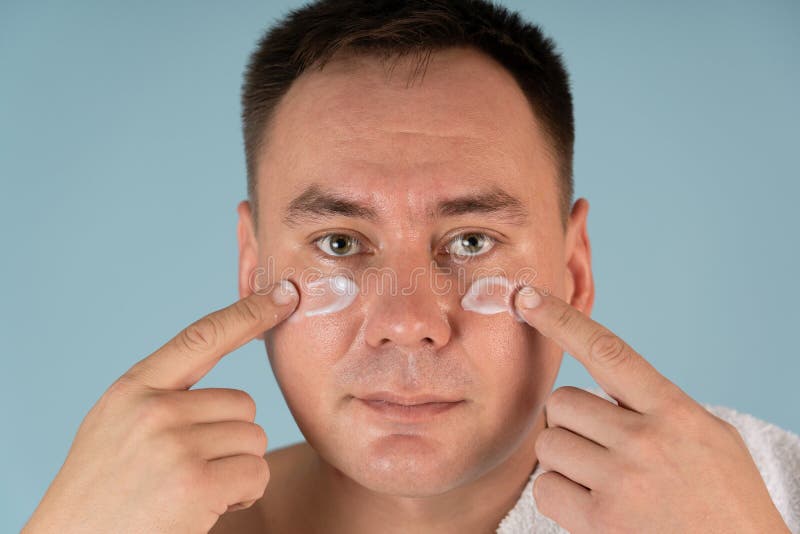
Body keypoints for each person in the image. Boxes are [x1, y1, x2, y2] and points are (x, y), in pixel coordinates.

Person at [22, 1, 800, 533]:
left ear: (574, 266)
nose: (408, 324)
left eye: (468, 242)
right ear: (253, 267)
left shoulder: (755, 493)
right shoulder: (127, 520)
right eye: (338, 243)